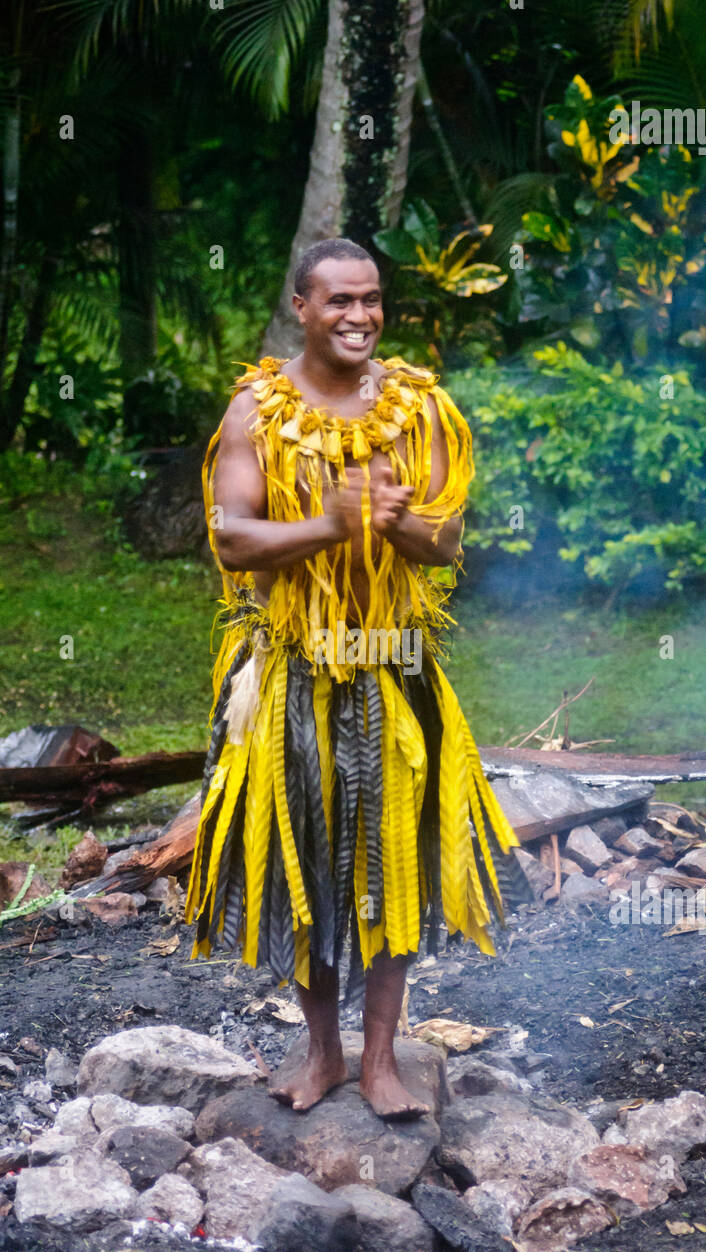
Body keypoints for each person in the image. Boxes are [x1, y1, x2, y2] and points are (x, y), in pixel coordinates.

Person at [185, 237, 525, 1119]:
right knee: (308, 859)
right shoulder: (256, 413)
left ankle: (380, 1059)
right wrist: (330, 526)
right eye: (338, 301)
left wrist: (397, 520)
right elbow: (231, 537)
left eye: (370, 299)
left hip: (396, 666)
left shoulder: (419, 408)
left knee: (392, 861)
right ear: (299, 308)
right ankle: (322, 1053)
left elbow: (446, 541)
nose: (359, 316)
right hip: (296, 668)